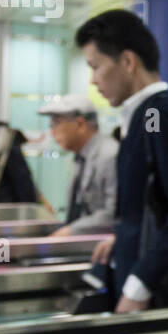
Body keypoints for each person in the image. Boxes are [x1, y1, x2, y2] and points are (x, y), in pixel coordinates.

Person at [75, 10, 168, 313]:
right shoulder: (140, 116)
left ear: (127, 61)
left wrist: (140, 284)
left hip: (157, 295)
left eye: (96, 67)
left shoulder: (161, 115)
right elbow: (149, 203)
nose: (93, 81)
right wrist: (122, 238)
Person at [39, 94, 118, 237]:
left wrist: (69, 232)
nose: (52, 132)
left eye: (56, 123)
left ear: (80, 124)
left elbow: (114, 213)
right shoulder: (80, 157)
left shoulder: (109, 155)